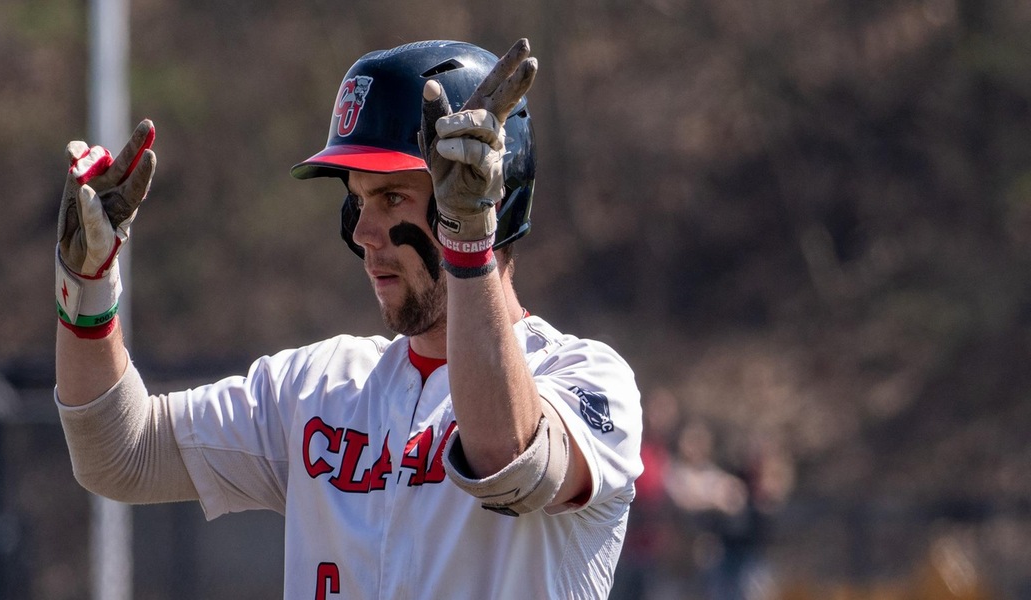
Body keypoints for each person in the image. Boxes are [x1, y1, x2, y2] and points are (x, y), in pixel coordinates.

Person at [53, 38, 643, 599]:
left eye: (391, 199)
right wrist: (87, 290)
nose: (363, 233)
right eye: (357, 200)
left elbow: (509, 463)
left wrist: (468, 242)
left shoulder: (587, 378)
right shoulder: (321, 385)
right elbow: (120, 455)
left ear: (491, 197)